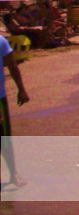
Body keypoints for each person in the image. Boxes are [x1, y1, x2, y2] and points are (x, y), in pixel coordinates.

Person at [0, 35, 29, 187]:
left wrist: (21, 89)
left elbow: (12, 66)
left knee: (4, 138)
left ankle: (13, 174)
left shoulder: (1, 41)